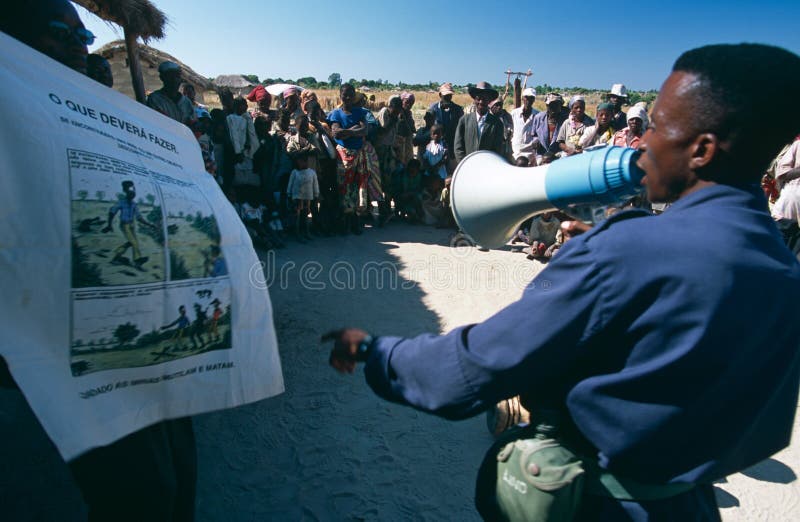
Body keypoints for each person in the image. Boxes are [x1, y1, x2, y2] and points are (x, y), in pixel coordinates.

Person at [323, 43, 800, 521]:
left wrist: (375, 351)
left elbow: (470, 371)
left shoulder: (626, 251)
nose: (643, 143)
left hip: (595, 505)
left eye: (657, 127)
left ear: (702, 150)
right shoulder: (783, 272)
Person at [2, 5, 198, 520]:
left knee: (178, 463)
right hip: (65, 333)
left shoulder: (96, 112)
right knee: (141, 491)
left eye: (83, 34)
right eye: (58, 34)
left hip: (133, 329)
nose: (77, 45)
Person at [327, 83, 380, 234]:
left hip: (358, 155)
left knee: (357, 188)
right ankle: (345, 223)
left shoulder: (360, 112)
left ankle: (355, 223)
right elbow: (336, 133)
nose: (348, 97)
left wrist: (348, 132)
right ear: (340, 96)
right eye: (345, 95)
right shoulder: (336, 114)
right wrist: (354, 130)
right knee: (344, 188)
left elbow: (365, 130)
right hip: (343, 156)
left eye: (350, 94)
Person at [102, 180, 157, 270]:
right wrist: (109, 225)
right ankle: (137, 261)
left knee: (131, 243)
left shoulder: (134, 204)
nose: (132, 192)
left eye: (133, 190)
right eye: (130, 190)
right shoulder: (122, 202)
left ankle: (116, 258)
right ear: (126, 191)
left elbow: (139, 217)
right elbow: (112, 212)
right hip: (124, 225)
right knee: (134, 243)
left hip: (132, 225)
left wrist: (150, 225)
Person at [454, 81, 507, 163]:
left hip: (487, 168)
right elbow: (458, 147)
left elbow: (498, 149)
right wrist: (464, 164)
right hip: (467, 167)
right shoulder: (464, 120)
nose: (481, 102)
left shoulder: (497, 123)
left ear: (489, 101)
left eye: (485, 99)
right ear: (474, 100)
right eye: (478, 98)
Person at [146, 61, 195, 127]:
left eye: (177, 76)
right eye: (170, 76)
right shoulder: (155, 99)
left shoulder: (186, 102)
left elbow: (193, 123)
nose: (174, 80)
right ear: (162, 78)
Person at [429, 82, 464, 170]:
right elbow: (430, 127)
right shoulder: (433, 109)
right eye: (446, 95)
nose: (448, 98)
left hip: (452, 146)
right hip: (437, 146)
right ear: (440, 95)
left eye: (450, 95)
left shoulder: (458, 109)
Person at [286, 151, 320, 242]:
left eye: (303, 161)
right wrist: (289, 194)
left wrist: (316, 195)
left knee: (305, 215)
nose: (301, 164)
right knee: (297, 215)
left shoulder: (311, 172)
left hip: (307, 197)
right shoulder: (295, 172)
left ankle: (306, 232)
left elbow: (315, 185)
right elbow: (290, 184)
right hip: (297, 197)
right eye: (299, 162)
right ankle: (297, 233)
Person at [530, 93, 569, 161]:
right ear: (547, 105)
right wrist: (536, 141)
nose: (554, 108)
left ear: (560, 106)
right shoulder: (539, 118)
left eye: (556, 105)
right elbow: (534, 135)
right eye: (551, 105)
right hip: (541, 155)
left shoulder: (565, 120)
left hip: (559, 156)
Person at [510, 87, 540, 163]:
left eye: (531, 98)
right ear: (523, 98)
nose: (528, 100)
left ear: (534, 100)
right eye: (526, 97)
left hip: (531, 153)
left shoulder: (537, 115)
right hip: (516, 152)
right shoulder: (514, 113)